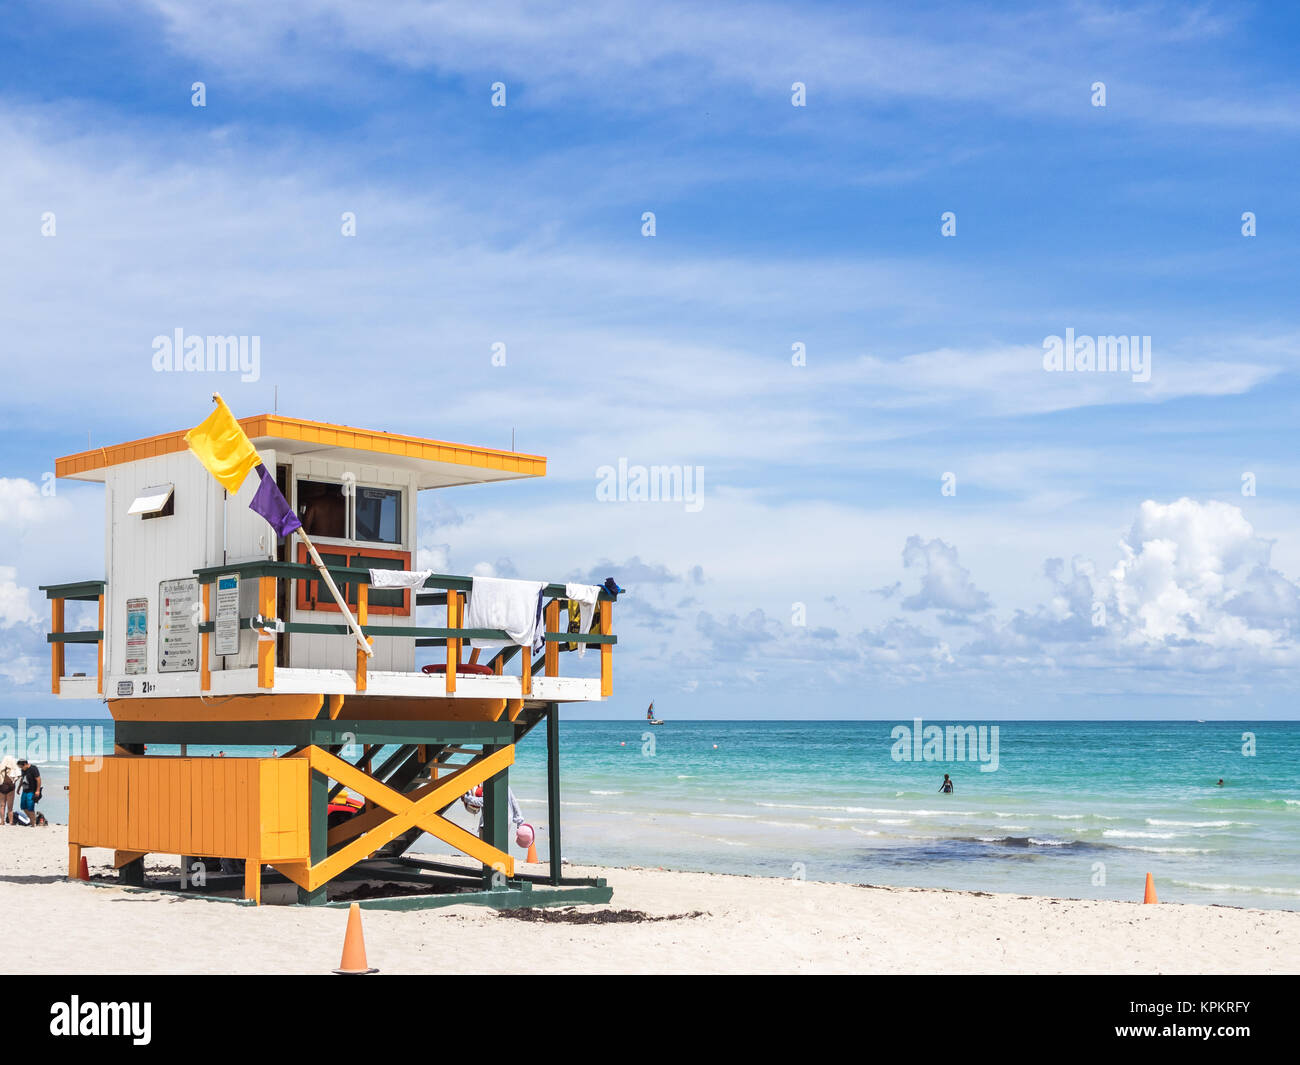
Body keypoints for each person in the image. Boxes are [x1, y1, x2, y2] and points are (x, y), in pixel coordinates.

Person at [461, 784, 527, 841]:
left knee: (484, 848)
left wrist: (466, 798)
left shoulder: (489, 783)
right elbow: (513, 801)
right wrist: (520, 821)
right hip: (506, 819)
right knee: (500, 847)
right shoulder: (503, 783)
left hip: (491, 821)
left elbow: (486, 801)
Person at [16, 760, 41, 826]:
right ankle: (33, 820)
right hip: (25, 790)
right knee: (23, 807)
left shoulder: (33, 768)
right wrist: (18, 788)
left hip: (32, 791)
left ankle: (33, 823)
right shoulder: (23, 770)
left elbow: (38, 779)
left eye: (21, 767)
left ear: (25, 764)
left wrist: (38, 790)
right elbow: (22, 779)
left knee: (30, 807)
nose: (21, 768)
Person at [0, 758, 16, 825]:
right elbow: (16, 778)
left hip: (2, 787)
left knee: (2, 806)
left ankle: (2, 821)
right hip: (10, 788)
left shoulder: (1, 769)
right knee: (10, 807)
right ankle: (11, 822)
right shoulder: (12, 770)